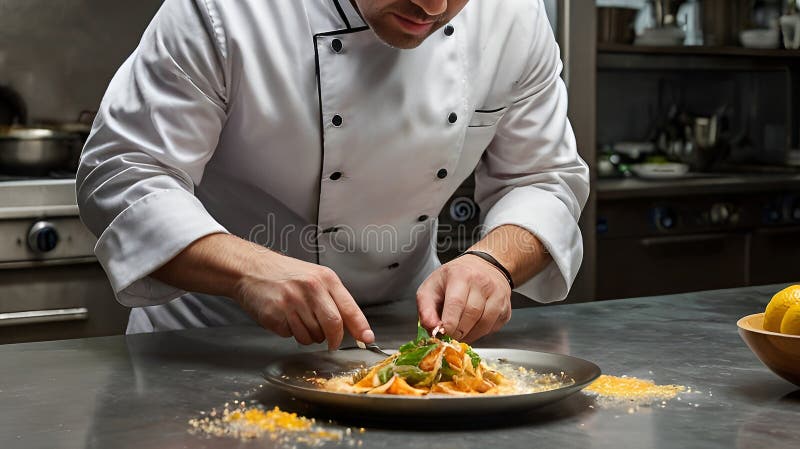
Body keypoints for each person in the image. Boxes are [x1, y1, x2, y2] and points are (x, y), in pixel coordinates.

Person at [77, 0, 589, 349]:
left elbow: (544, 178)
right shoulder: (225, 11)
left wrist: (493, 263)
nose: (433, 7)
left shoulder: (514, 17)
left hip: (402, 337)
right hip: (212, 341)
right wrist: (247, 270)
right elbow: (124, 172)